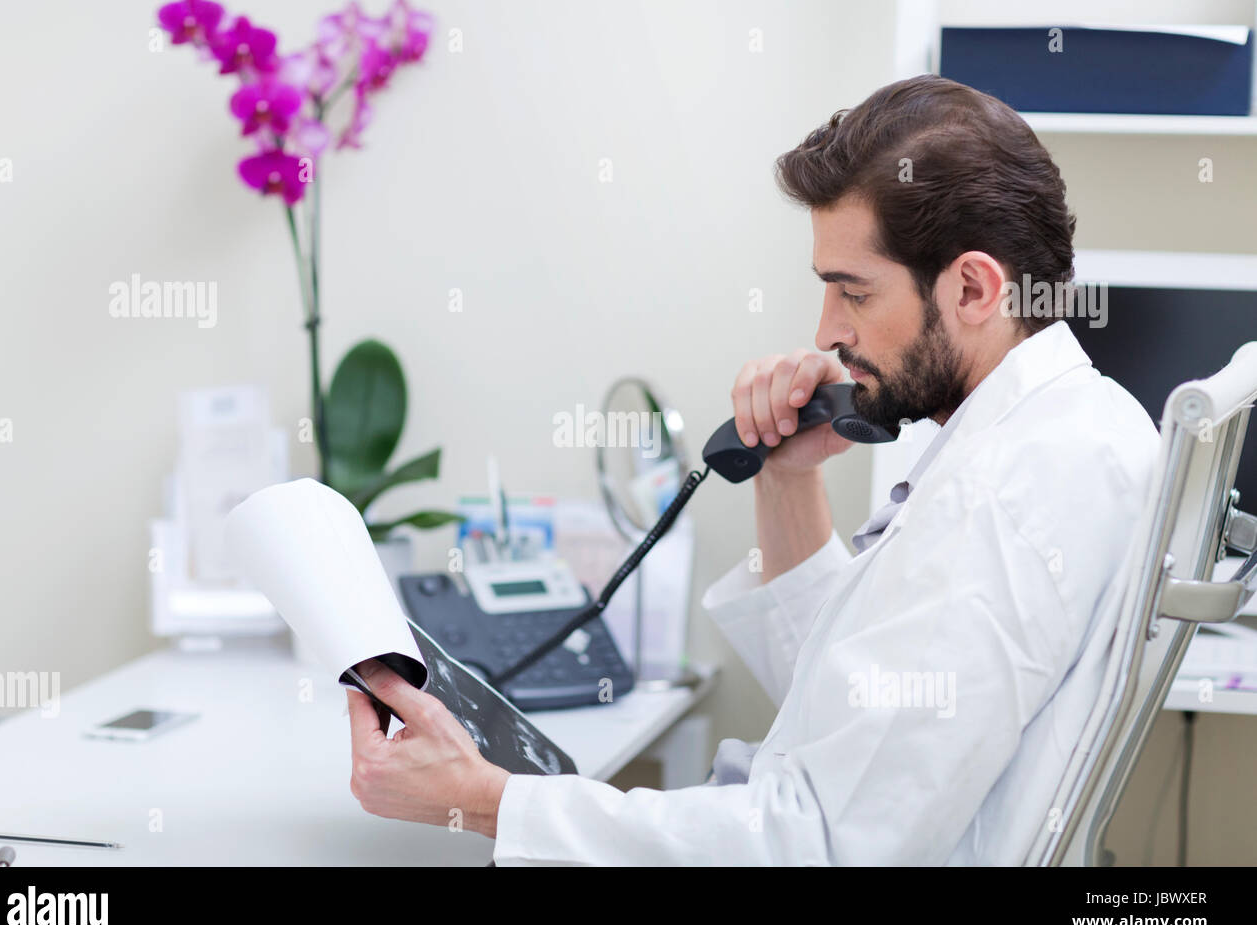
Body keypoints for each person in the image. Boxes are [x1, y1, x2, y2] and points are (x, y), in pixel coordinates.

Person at [344, 74, 1160, 865]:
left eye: (854, 293)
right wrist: (787, 477)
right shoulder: (1076, 428)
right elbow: (851, 714)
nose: (827, 331)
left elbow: (818, 844)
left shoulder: (1001, 499)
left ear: (974, 290)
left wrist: (491, 801)